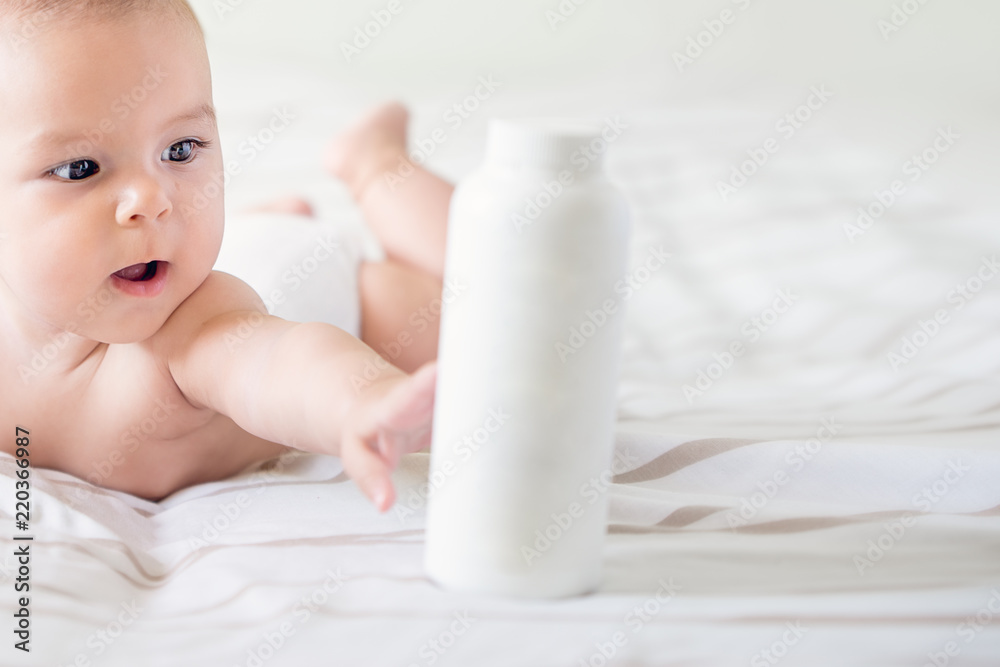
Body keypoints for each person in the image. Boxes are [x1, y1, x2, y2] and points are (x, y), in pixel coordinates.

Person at [0, 0, 455, 512]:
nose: (153, 199)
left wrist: (361, 402)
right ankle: (279, 213)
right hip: (243, 243)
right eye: (80, 168)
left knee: (473, 300)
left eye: (181, 150)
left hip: (335, 289)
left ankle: (375, 164)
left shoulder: (191, 329)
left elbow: (275, 361)